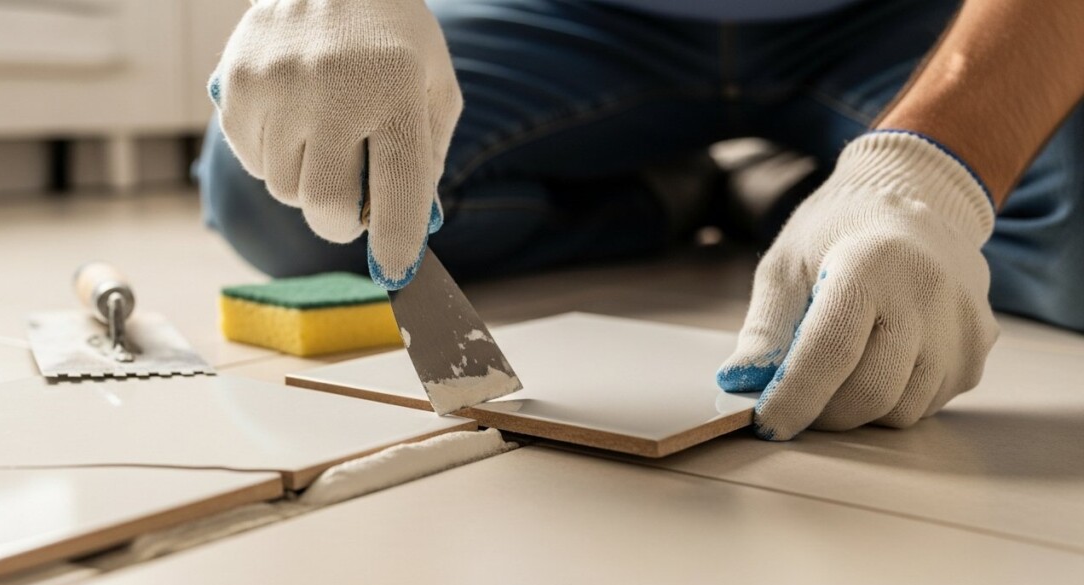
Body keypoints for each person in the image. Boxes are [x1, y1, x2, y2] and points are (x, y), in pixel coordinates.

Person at [197, 0, 1084, 441]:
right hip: (582, 20)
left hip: (914, 23)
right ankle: (674, 193)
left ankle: (792, 194)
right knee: (287, 193)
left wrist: (927, 172)